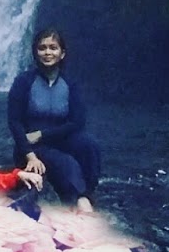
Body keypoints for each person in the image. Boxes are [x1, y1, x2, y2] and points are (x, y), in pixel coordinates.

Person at [7, 26, 101, 211]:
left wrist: (42, 134)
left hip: (56, 139)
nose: (47, 52)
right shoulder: (23, 82)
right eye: (42, 48)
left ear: (62, 53)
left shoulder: (70, 84)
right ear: (35, 52)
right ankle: (81, 202)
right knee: (66, 163)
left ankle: (87, 194)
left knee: (90, 146)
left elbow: (77, 122)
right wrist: (30, 156)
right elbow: (14, 122)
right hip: (30, 147)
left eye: (53, 47)